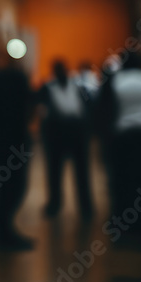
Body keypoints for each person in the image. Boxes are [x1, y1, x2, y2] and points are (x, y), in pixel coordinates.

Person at [0, 48, 36, 250]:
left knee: (5, 188)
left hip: (1, 141)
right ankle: (4, 233)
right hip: (14, 140)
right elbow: (30, 106)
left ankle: (4, 232)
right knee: (13, 187)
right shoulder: (17, 79)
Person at [97, 53, 141, 224]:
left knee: (121, 180)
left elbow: (106, 110)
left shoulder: (115, 80)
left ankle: (120, 218)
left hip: (121, 136)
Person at [38, 59, 93, 219]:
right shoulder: (47, 87)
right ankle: (55, 204)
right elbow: (42, 110)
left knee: (82, 171)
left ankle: (86, 206)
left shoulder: (77, 86)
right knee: (55, 171)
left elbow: (87, 105)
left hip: (76, 131)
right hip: (57, 133)